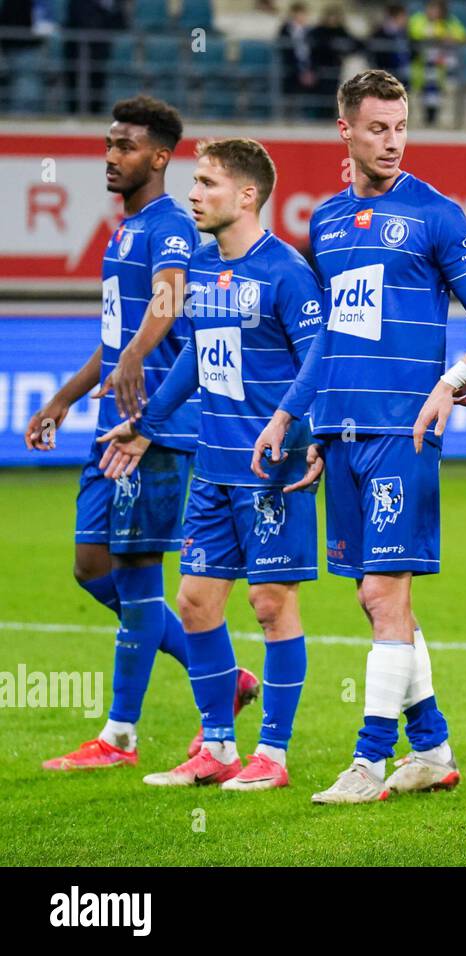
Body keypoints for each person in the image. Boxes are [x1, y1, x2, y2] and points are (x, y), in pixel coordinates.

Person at [253, 69, 466, 805]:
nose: (393, 141)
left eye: (401, 127)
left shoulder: (438, 215)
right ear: (346, 131)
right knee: (371, 595)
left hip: (404, 430)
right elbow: (332, 336)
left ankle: (367, 762)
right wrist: (301, 418)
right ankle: (432, 748)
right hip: (344, 428)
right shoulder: (324, 222)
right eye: (378, 128)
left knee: (386, 595)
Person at [28, 96, 259, 770]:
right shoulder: (121, 231)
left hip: (151, 427)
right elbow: (116, 338)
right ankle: (228, 678)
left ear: (159, 157)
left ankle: (120, 738)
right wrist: (63, 400)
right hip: (107, 425)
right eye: (108, 143)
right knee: (91, 568)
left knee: (135, 577)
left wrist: (136, 358)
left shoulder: (169, 227)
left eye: (124, 146)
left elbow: (170, 297)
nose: (110, 156)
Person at [98, 138, 323, 791]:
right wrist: (147, 426)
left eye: (207, 184)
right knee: (195, 602)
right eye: (194, 183)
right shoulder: (200, 265)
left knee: (271, 604)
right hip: (213, 463)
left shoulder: (285, 270)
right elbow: (197, 357)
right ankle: (218, 747)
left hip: (269, 467)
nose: (193, 194)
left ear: (247, 196)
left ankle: (273, 757)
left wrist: (295, 427)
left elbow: (316, 358)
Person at [408, 0, 466, 125]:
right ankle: (423, 121)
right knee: (421, 97)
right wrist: (440, 35)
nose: (434, 12)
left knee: (442, 94)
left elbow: (463, 35)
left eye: (437, 9)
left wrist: (450, 37)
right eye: (431, 8)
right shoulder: (418, 19)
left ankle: (439, 121)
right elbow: (414, 32)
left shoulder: (449, 21)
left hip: (441, 69)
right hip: (420, 66)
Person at [278, 2, 316, 113]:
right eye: (300, 14)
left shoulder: (310, 31)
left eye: (304, 14)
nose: (303, 17)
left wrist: (309, 70)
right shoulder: (285, 29)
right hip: (291, 67)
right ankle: (289, 114)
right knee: (290, 94)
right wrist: (299, 70)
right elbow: (285, 50)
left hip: (307, 66)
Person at [369, 3, 412, 88]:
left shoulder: (404, 33)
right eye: (403, 16)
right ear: (395, 17)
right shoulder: (380, 32)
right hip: (387, 75)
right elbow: (376, 54)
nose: (406, 19)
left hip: (402, 74)